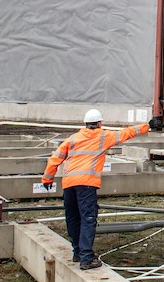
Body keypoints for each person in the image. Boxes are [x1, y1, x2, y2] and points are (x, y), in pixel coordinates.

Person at [41, 109, 151, 270]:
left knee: (73, 218)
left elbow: (55, 158)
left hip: (69, 183)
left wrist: (47, 178)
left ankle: (78, 252)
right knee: (88, 218)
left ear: (85, 124)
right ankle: (86, 258)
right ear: (99, 123)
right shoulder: (103, 136)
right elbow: (127, 133)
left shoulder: (73, 139)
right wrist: (148, 126)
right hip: (86, 183)